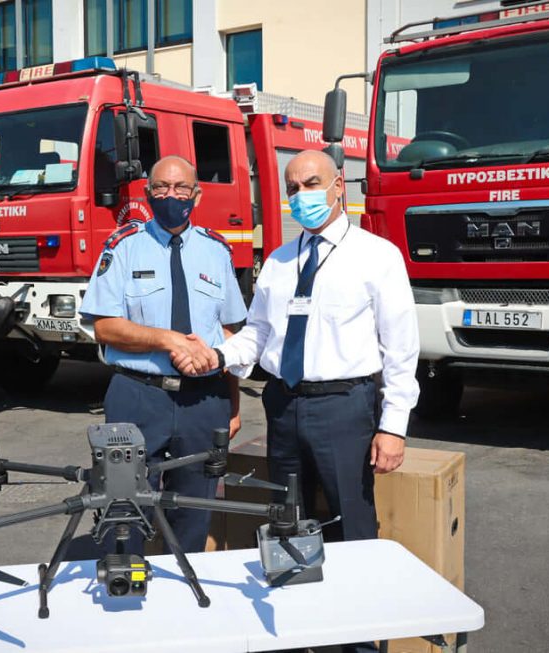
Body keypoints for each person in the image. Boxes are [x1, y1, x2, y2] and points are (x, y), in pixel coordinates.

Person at [173, 149, 419, 540]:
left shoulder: (377, 257)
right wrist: (217, 354)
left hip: (344, 407)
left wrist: (393, 427)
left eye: (311, 184)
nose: (301, 194)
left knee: (350, 518)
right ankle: (296, 591)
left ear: (338, 186)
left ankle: (354, 599)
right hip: (284, 406)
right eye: (293, 188)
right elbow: (259, 334)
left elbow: (401, 350)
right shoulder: (279, 262)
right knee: (288, 514)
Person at [80, 155, 248, 554]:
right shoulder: (123, 247)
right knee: (124, 503)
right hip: (139, 395)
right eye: (161, 188)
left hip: (204, 399)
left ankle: (181, 589)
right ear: (147, 192)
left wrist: (234, 404)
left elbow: (229, 333)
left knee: (193, 505)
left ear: (197, 194)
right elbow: (104, 327)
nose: (171, 196)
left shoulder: (216, 251)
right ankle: (126, 586)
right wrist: (168, 340)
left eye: (181, 188)